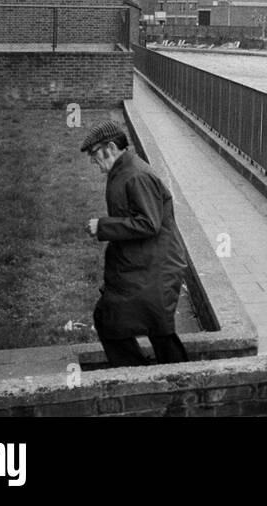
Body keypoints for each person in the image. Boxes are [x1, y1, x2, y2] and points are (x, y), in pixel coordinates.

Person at [80, 119, 190, 367]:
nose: (92, 160)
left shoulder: (136, 175)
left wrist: (103, 226)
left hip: (155, 268)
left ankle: (161, 377)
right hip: (142, 266)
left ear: (110, 147)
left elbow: (148, 223)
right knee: (116, 319)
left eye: (94, 153)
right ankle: (143, 374)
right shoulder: (123, 170)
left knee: (154, 329)